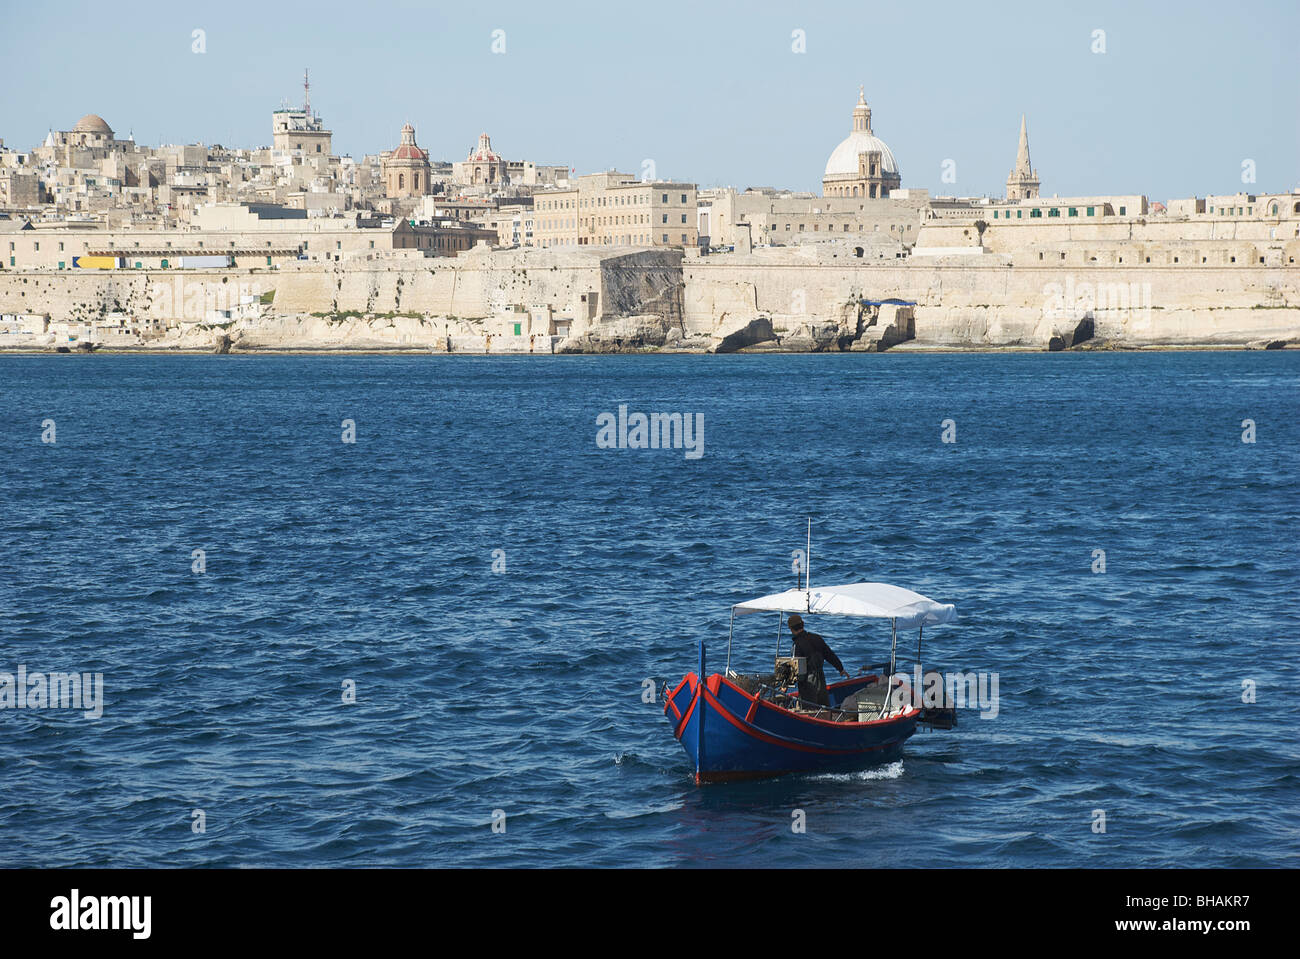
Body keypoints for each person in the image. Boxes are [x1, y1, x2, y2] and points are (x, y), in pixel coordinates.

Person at [787, 614, 849, 707]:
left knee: (809, 709)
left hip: (808, 683)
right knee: (824, 707)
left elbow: (796, 668)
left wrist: (786, 684)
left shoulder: (797, 644)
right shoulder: (817, 638)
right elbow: (830, 655)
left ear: (791, 629)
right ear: (803, 624)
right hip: (821, 678)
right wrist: (841, 668)